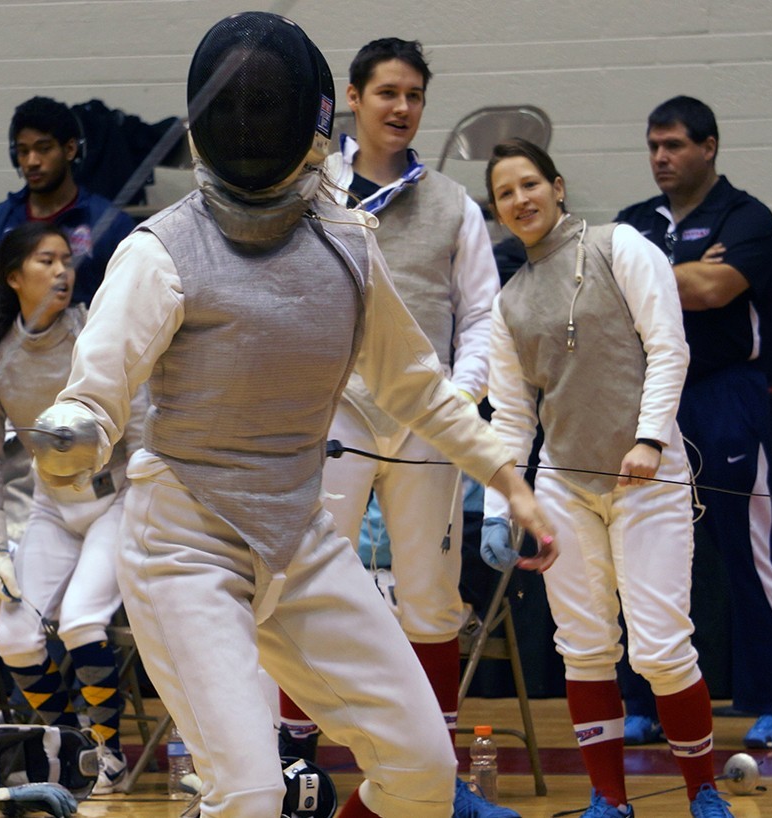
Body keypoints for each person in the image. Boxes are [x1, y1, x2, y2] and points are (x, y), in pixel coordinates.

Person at [27, 13, 554, 818]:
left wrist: (508, 481)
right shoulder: (161, 250)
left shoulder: (347, 242)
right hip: (183, 549)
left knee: (420, 769)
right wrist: (76, 434)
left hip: (297, 542)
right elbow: (97, 394)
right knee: (249, 791)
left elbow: (415, 384)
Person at [481, 138, 733, 818]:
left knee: (660, 649)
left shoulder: (622, 246)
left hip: (647, 478)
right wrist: (500, 507)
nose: (521, 200)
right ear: (499, 211)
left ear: (557, 186)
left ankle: (702, 792)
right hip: (565, 484)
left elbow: (667, 345)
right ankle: (608, 801)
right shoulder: (507, 302)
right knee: (584, 648)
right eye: (506, 193)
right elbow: (509, 418)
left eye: (529, 184)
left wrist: (650, 439)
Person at [291, 36, 510, 818]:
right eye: (387, 92)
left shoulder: (454, 203)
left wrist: (459, 395)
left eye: (414, 94)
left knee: (431, 599)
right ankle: (295, 767)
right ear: (353, 97)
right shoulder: (312, 189)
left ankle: (441, 780)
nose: (402, 107)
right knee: (304, 583)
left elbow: (483, 312)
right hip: (335, 415)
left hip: (425, 422)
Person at [613, 95, 772, 751]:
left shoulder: (746, 215)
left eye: (674, 145)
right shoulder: (632, 221)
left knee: (745, 548)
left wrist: (649, 273)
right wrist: (684, 271)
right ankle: (643, 701)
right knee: (640, 550)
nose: (661, 158)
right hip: (651, 398)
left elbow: (718, 291)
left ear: (709, 146)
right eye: (654, 146)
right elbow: (614, 292)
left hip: (724, 392)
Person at [0, 221, 147, 794]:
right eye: (46, 261)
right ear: (15, 277)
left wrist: (149, 504)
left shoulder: (96, 330)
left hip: (116, 498)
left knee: (81, 621)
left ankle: (109, 754)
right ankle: (70, 742)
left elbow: (142, 426)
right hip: (52, 509)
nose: (61, 271)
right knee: (15, 637)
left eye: (66, 260)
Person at [0, 95, 135, 356]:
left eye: (43, 148)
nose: (32, 161)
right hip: (12, 365)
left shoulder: (109, 224)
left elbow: (128, 312)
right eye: (23, 151)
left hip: (85, 362)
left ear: (69, 150)